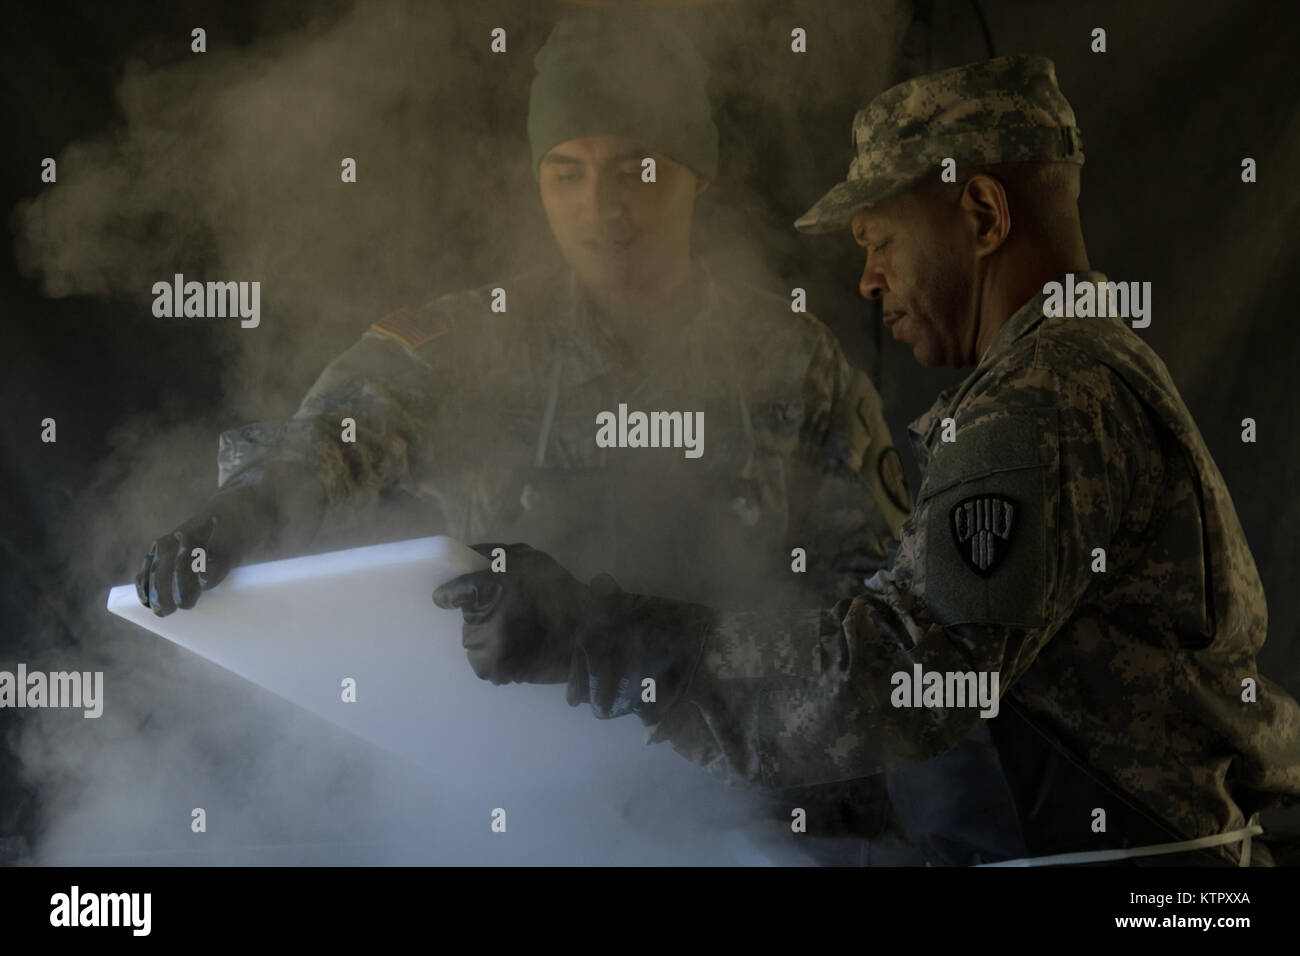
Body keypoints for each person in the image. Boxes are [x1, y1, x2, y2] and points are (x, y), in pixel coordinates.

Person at [434, 54, 1300, 866]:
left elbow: (895, 679)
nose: (867, 281)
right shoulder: (1092, 363)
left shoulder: (1043, 400)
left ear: (985, 217)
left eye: (880, 241)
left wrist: (597, 633)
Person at [134, 9, 912, 853]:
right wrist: (244, 514)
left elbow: (879, 614)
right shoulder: (473, 342)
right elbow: (339, 435)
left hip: (751, 804)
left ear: (698, 175)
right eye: (566, 173)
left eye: (637, 169)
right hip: (529, 815)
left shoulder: (796, 362)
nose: (601, 207)